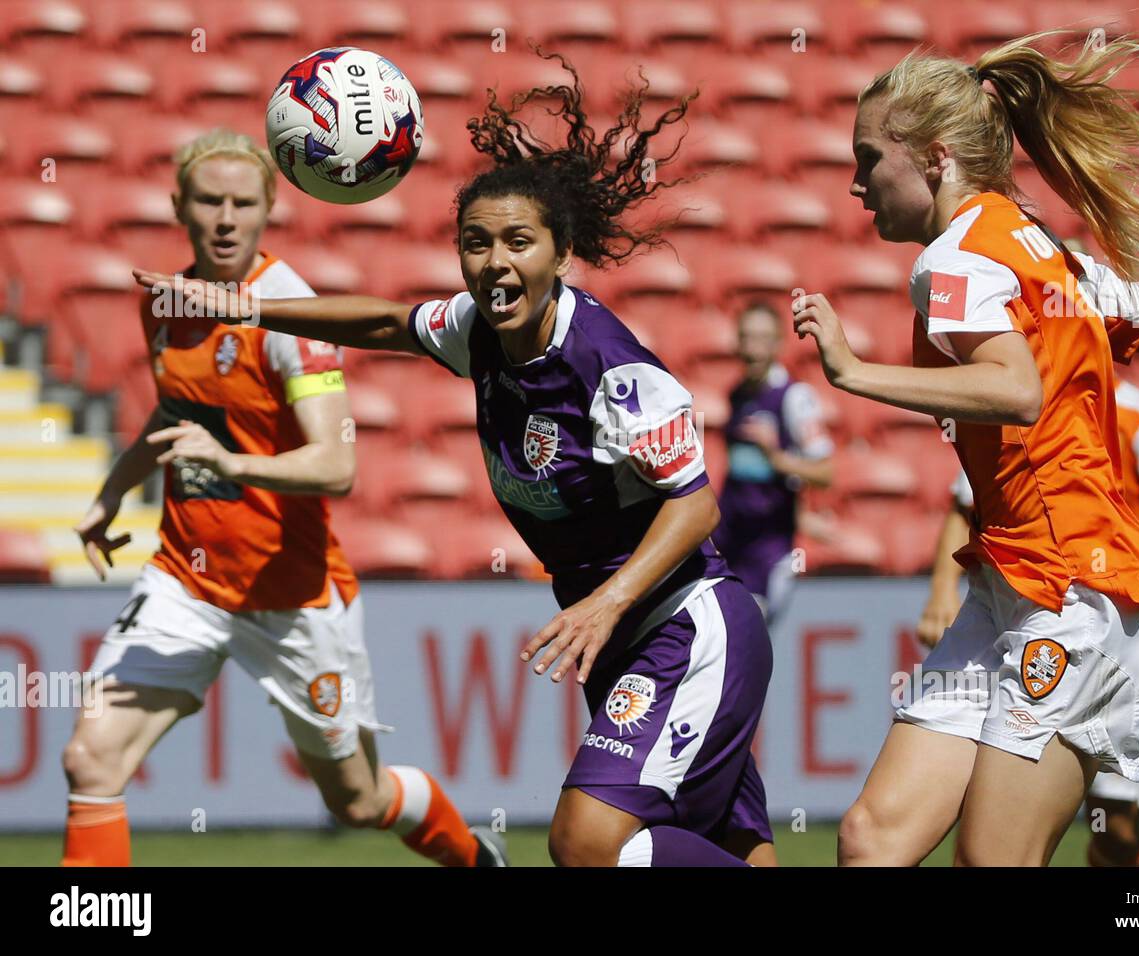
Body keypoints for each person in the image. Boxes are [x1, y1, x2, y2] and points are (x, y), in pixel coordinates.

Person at [134, 54, 775, 868]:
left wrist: (606, 604)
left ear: (561, 253)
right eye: (476, 245)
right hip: (617, 632)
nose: (495, 263)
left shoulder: (612, 369)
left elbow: (696, 506)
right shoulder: (477, 327)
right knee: (731, 845)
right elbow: (383, 324)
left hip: (684, 625)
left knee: (585, 846)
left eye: (518, 243)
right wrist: (245, 305)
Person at [791, 33, 1139, 866]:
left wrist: (853, 370)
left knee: (995, 860)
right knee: (871, 840)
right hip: (1012, 583)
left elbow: (1014, 388)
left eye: (868, 157)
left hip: (1078, 590)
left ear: (935, 157)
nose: (854, 183)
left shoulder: (951, 261)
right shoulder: (1055, 257)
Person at [65, 128, 499, 867]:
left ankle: (474, 857)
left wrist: (228, 461)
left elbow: (337, 467)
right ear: (180, 206)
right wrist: (113, 490)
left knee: (358, 801)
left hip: (293, 594)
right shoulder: (165, 304)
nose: (226, 218)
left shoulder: (287, 315)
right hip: (188, 580)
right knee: (91, 762)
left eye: (243, 202)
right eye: (210, 201)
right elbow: (181, 415)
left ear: (270, 208)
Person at [922, 371, 1139, 866]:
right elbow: (964, 502)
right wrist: (941, 591)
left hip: (1110, 628)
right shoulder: (1017, 401)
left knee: (1114, 825)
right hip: (1028, 626)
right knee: (998, 830)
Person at [713, 301, 834, 625]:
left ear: (778, 344)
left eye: (762, 338)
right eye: (746, 337)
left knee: (746, 634)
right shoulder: (736, 394)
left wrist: (776, 457)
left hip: (768, 548)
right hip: (730, 539)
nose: (752, 347)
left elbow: (825, 473)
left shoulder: (795, 398)